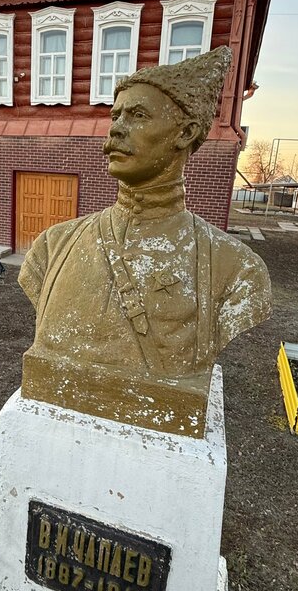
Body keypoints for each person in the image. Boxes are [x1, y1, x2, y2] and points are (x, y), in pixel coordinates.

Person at [18, 46, 271, 437]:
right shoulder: (54, 245)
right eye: (115, 116)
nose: (116, 129)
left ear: (185, 133)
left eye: (137, 115)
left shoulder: (236, 269)